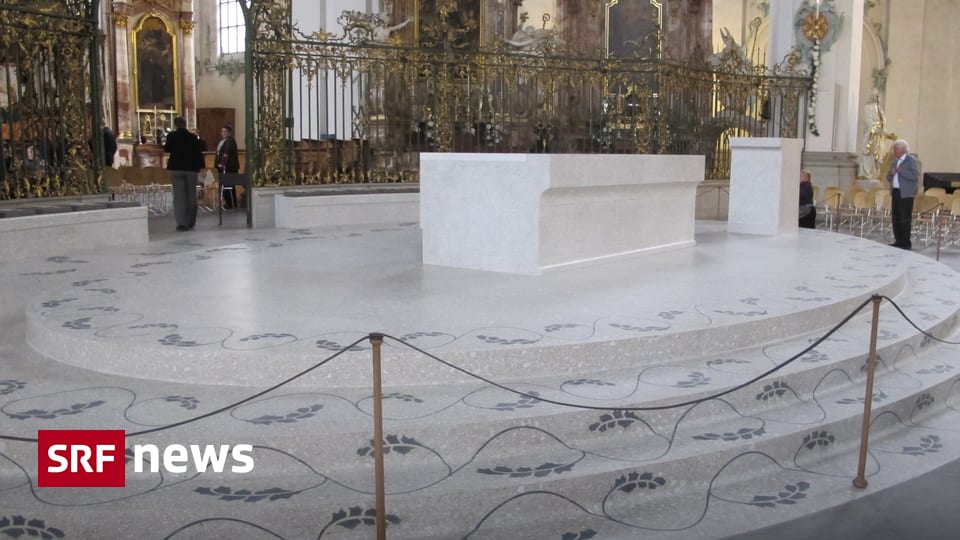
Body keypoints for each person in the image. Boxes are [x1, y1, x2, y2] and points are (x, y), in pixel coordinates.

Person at [163, 117, 204, 231]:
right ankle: (191, 221)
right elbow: (198, 153)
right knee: (191, 196)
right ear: (185, 125)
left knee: (179, 197)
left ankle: (181, 223)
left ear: (175, 125)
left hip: (176, 168)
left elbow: (167, 149)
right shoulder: (193, 137)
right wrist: (202, 167)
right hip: (191, 169)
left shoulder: (172, 136)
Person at [886, 139, 920, 250]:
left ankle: (905, 242)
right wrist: (891, 174)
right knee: (896, 217)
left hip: (906, 194)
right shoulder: (894, 161)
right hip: (895, 192)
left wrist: (901, 171)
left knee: (904, 217)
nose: (894, 150)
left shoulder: (911, 160)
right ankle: (898, 240)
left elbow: (915, 176)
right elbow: (888, 177)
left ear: (902, 149)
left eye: (895, 148)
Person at [858, 89, 887, 179]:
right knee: (868, 152)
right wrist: (876, 128)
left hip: (879, 136)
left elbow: (883, 121)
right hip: (871, 135)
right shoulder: (868, 107)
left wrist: (883, 129)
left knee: (878, 156)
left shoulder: (879, 108)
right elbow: (869, 121)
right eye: (875, 95)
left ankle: (875, 173)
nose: (877, 97)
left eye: (878, 95)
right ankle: (868, 172)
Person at [216, 125, 239, 209]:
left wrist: (222, 164)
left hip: (229, 167)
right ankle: (228, 203)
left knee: (228, 186)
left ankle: (231, 204)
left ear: (229, 132)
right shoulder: (223, 141)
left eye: (225, 131)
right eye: (222, 131)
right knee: (225, 185)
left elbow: (226, 153)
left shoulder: (230, 140)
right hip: (224, 167)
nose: (223, 133)